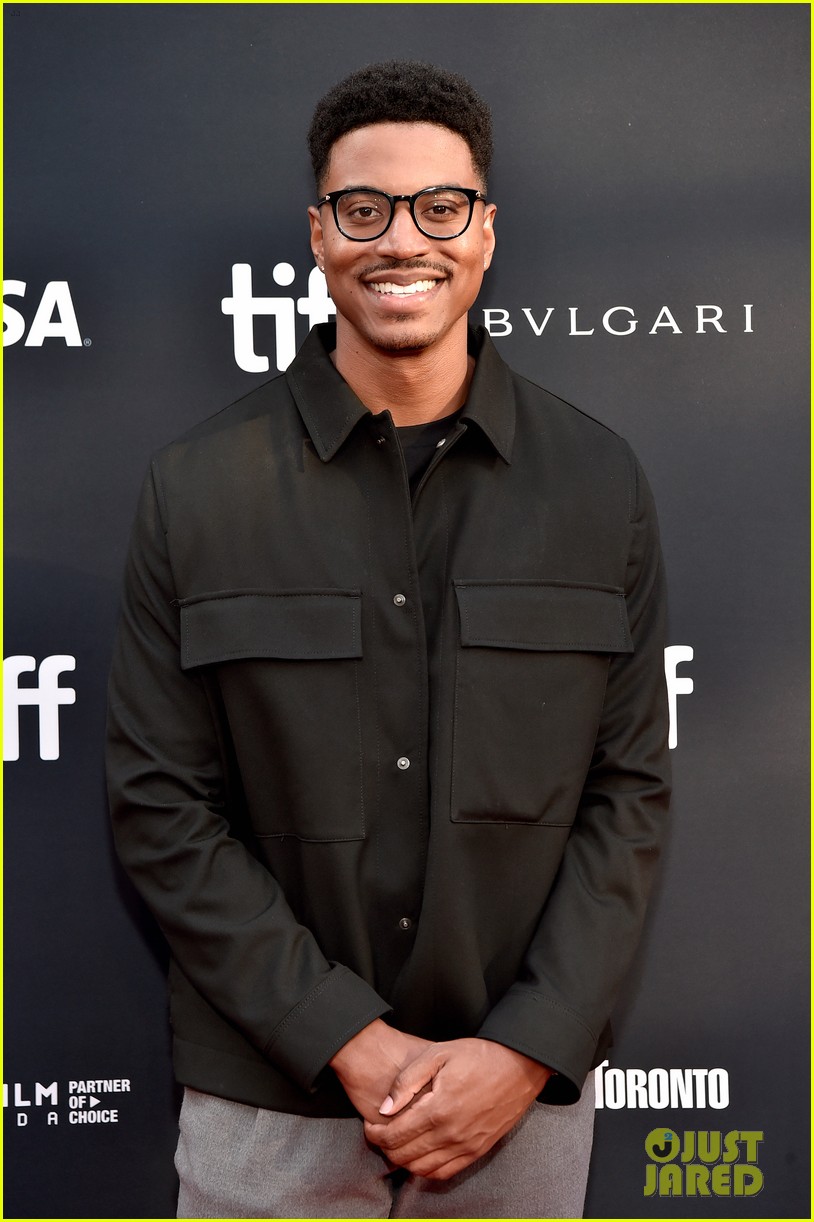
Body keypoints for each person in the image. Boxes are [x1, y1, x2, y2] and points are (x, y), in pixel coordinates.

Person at [107, 60, 671, 1219]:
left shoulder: (597, 483)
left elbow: (628, 793)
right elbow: (161, 808)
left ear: (485, 231)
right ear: (318, 234)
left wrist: (521, 1052)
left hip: (514, 1114)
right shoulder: (197, 490)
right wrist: (349, 1041)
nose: (400, 239)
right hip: (268, 1111)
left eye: (438, 207)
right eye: (363, 209)